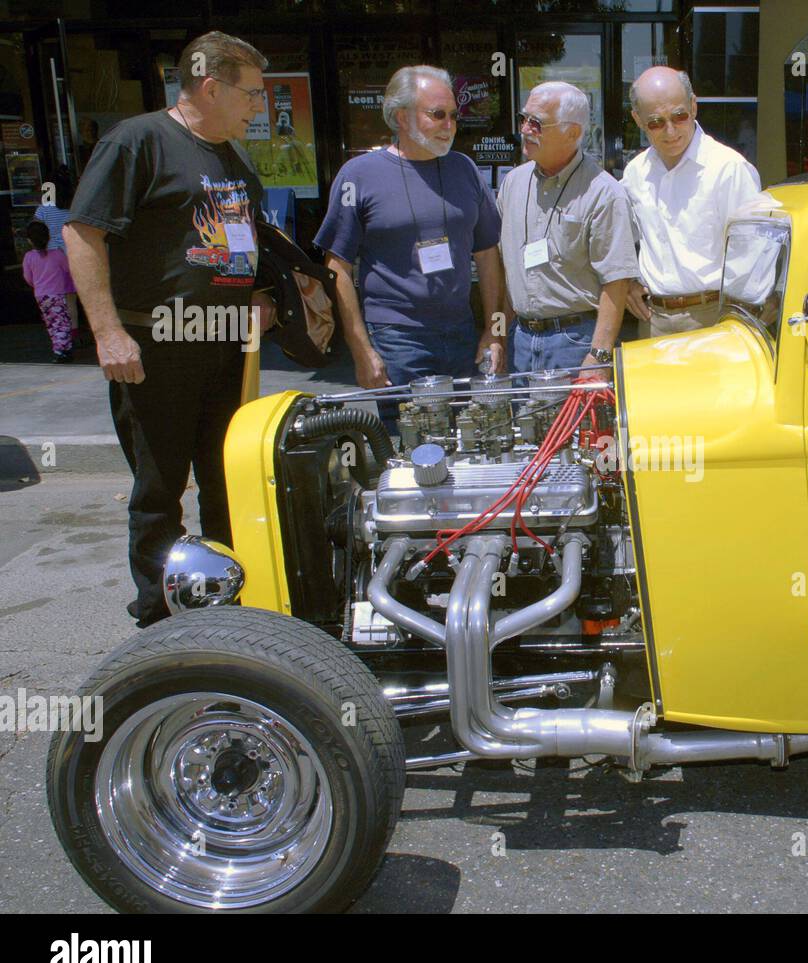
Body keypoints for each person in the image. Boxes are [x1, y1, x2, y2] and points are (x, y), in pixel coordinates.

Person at [64, 30, 274, 629]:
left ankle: (227, 601)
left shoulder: (231, 156)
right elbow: (83, 234)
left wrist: (259, 293)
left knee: (227, 481)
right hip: (158, 346)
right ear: (211, 88)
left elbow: (242, 240)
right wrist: (107, 332)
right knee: (160, 492)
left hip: (227, 346)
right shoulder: (138, 141)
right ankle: (161, 621)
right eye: (252, 95)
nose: (257, 107)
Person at [315, 65, 505, 420]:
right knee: (408, 452)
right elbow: (336, 266)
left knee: (467, 445)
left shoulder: (465, 170)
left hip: (461, 334)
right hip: (396, 339)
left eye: (453, 115)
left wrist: (495, 333)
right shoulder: (359, 175)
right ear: (401, 117)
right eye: (437, 115)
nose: (449, 124)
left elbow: (489, 255)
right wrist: (360, 350)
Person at [498, 81, 639, 374]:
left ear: (572, 132)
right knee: (523, 422)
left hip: (575, 342)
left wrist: (598, 357)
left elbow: (617, 281)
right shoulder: (513, 183)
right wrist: (499, 334)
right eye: (523, 119)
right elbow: (504, 266)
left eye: (537, 124)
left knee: (573, 423)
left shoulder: (603, 193)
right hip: (520, 338)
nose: (525, 130)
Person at [620, 67, 760, 338]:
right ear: (638, 120)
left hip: (715, 318)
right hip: (653, 320)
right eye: (656, 122)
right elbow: (622, 239)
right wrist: (627, 281)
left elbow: (751, 255)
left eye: (679, 116)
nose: (670, 131)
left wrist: (738, 323)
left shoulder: (728, 168)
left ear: (694, 106)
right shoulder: (635, 173)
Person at [34, 166, 80, 342]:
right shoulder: (74, 206)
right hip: (73, 255)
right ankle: (75, 332)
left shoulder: (44, 208)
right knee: (71, 299)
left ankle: (60, 335)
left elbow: (37, 229)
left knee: (55, 299)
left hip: (51, 258)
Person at [21, 220, 76, 362]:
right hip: (58, 293)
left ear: (29, 240)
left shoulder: (29, 257)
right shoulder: (57, 254)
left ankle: (61, 348)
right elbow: (68, 270)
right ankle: (63, 350)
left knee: (51, 321)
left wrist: (37, 284)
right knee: (62, 320)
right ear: (48, 237)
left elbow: (28, 277)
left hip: (41, 295)